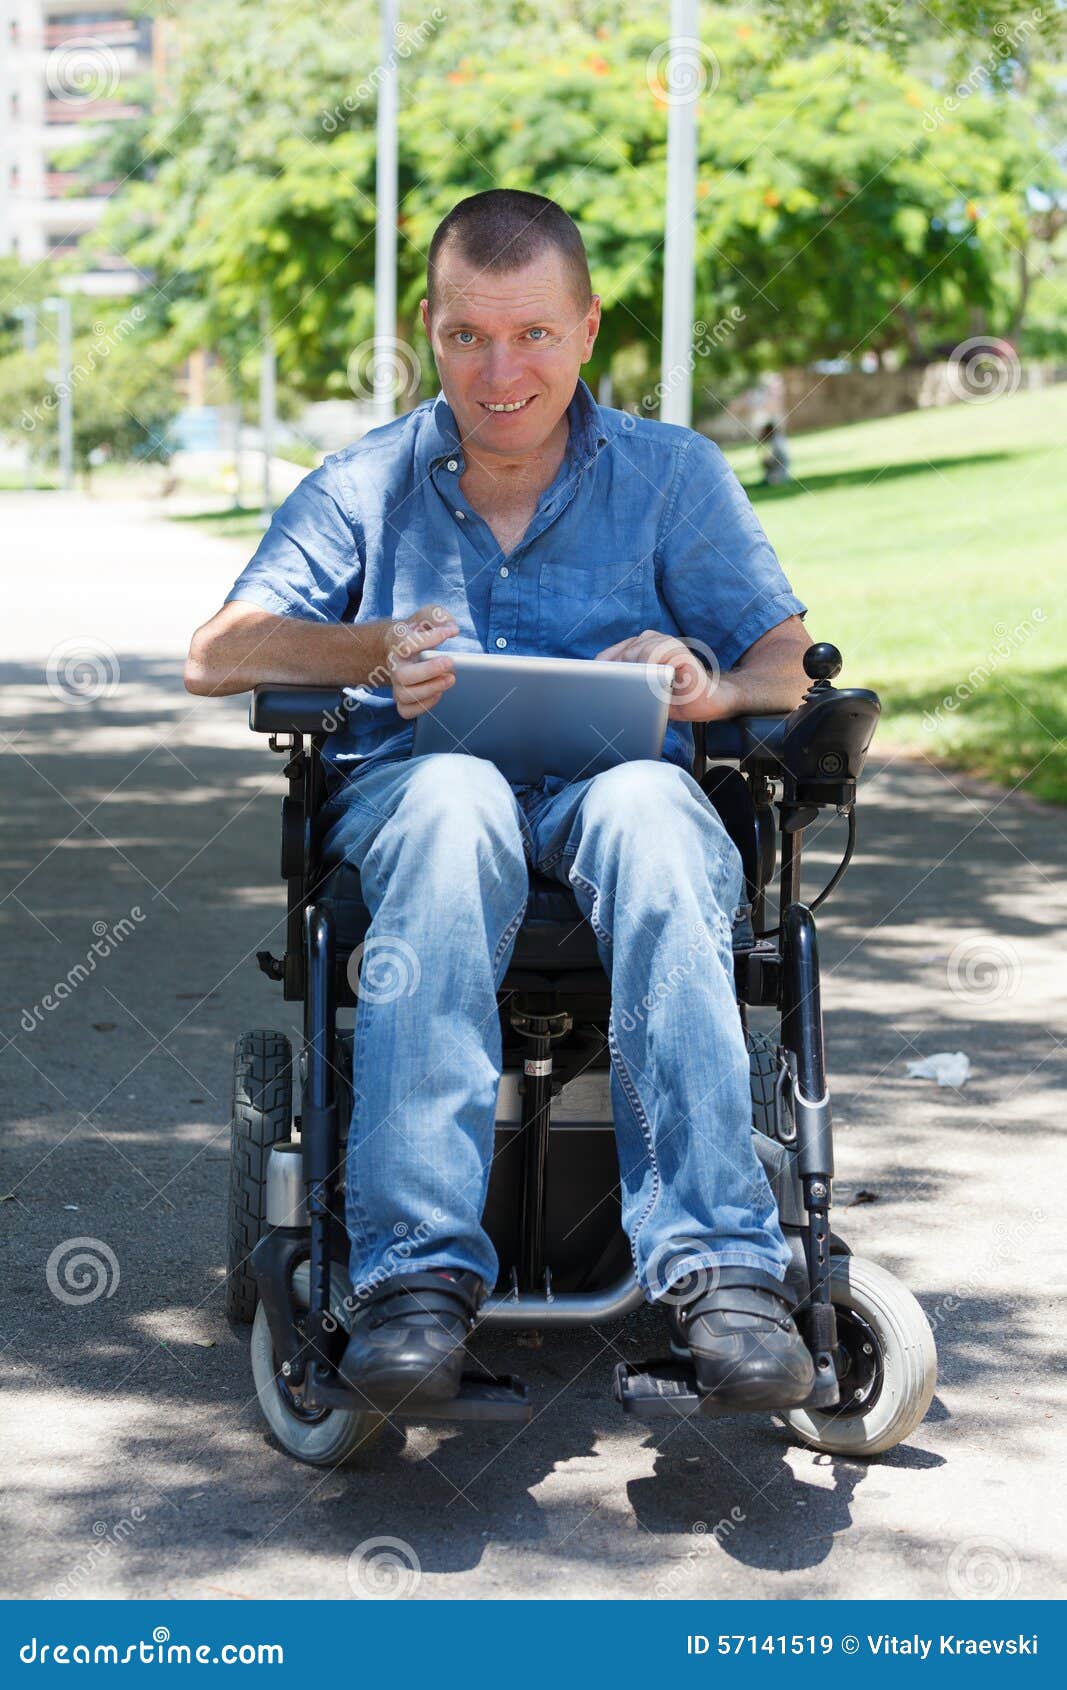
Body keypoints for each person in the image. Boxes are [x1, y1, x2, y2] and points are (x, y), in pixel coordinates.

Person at [185, 189, 816, 1415]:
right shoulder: (366, 481)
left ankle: (726, 1269)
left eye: (531, 334)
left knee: (649, 810)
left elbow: (787, 666)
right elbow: (217, 652)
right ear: (428, 328)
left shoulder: (670, 476)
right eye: (467, 335)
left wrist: (709, 685)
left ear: (586, 329)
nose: (499, 372)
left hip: (615, 800)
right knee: (456, 795)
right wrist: (369, 648)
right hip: (420, 805)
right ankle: (413, 1275)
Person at [759, 418, 791, 486]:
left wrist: (766, 462)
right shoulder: (777, 439)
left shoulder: (776, 442)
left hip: (778, 473)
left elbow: (773, 461)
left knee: (770, 481)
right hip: (779, 470)